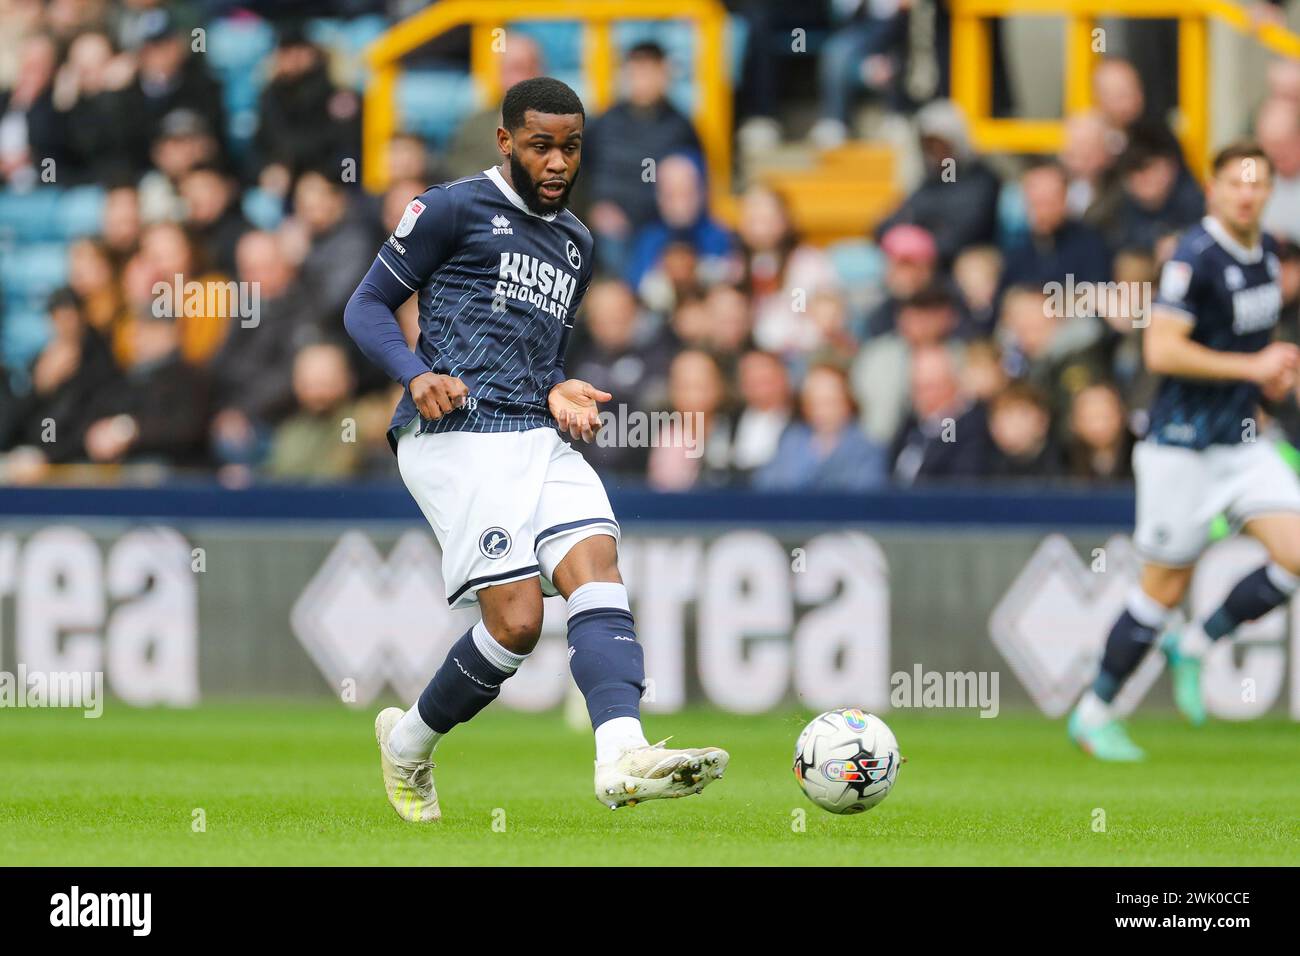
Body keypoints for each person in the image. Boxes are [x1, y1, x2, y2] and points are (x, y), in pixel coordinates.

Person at [343, 77, 727, 823]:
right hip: (454, 436)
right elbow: (364, 305)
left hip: (532, 431)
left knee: (596, 564)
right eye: (541, 145)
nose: (557, 162)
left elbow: (537, 351)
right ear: (506, 142)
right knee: (516, 623)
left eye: (571, 147)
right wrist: (415, 374)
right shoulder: (449, 207)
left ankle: (620, 751)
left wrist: (556, 389)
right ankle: (409, 745)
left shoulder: (578, 242)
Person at [1069, 142, 1300, 760]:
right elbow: (1161, 352)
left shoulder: (1270, 251)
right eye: (1234, 184)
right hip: (1180, 447)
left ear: (1269, 189)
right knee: (1159, 591)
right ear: (1213, 191)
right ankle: (1094, 713)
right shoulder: (1193, 257)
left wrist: (1268, 378)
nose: (1246, 194)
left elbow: (1254, 335)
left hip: (1240, 442)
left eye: (1257, 184)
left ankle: (1199, 642)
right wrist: (1252, 367)